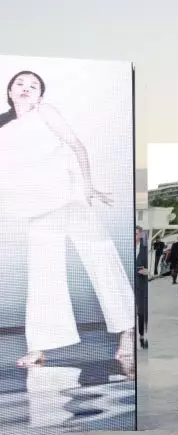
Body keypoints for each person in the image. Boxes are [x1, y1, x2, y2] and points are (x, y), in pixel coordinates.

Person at [1, 70, 137, 377]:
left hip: (70, 198)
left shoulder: (45, 113)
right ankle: (40, 345)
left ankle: (128, 330)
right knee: (43, 272)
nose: (26, 88)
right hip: (38, 207)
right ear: (9, 91)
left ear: (40, 96)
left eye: (33, 85)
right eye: (20, 84)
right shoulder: (4, 126)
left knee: (101, 260)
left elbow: (76, 146)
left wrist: (87, 186)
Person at [135, 226, 149, 350]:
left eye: (136, 234)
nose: (134, 236)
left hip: (141, 285)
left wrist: (147, 271)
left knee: (141, 312)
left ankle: (142, 335)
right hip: (128, 285)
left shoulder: (145, 250)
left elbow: (149, 267)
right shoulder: (126, 248)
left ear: (140, 235)